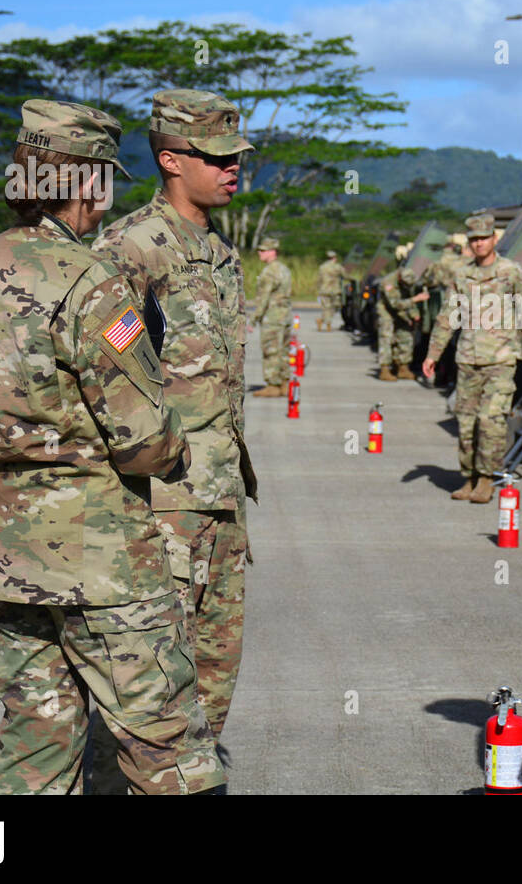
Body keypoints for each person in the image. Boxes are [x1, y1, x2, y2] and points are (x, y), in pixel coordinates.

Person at [0, 99, 224, 794]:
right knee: (168, 748)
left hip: (1, 555)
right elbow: (145, 438)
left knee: (34, 749)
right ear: (87, 183)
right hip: (99, 559)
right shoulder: (92, 283)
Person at [93, 89, 258, 743]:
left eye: (235, 155)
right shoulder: (131, 251)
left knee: (214, 678)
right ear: (169, 159)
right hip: (159, 505)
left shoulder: (220, 253)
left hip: (219, 497)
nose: (231, 167)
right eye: (215, 156)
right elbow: (106, 377)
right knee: (149, 688)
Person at [422, 213, 522, 504]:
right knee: (466, 423)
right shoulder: (462, 276)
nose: (478, 244)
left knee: (491, 421)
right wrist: (433, 354)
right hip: (468, 359)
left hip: (501, 360)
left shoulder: (513, 272)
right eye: (473, 239)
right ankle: (470, 477)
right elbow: (447, 317)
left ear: (494, 239)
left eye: (483, 238)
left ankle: (487, 478)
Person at [250, 237, 292, 398]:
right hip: (285, 315)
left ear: (272, 251)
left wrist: (254, 317)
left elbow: (264, 297)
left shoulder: (269, 272)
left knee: (271, 350)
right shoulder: (284, 269)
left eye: (263, 250)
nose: (259, 253)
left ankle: (273, 384)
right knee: (283, 351)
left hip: (272, 317)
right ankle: (284, 383)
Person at [376, 266, 429, 381]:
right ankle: (385, 369)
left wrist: (414, 314)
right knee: (386, 338)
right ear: (400, 278)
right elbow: (395, 304)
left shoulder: (407, 282)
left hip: (402, 311)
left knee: (405, 336)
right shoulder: (388, 282)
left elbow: (407, 296)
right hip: (386, 311)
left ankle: (402, 367)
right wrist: (416, 299)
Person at [316, 249, 343, 331]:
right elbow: (345, 275)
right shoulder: (338, 267)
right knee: (336, 306)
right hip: (335, 290)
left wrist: (319, 288)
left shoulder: (322, 267)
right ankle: (328, 324)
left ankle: (322, 320)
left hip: (324, 290)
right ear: (335, 258)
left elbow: (319, 279)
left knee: (326, 308)